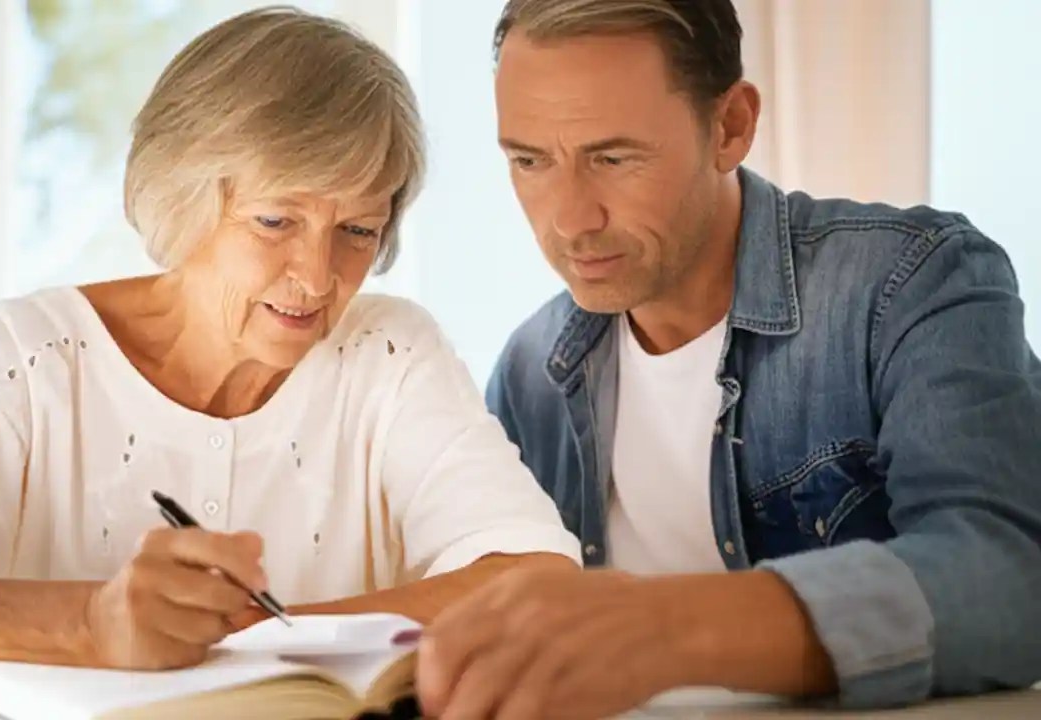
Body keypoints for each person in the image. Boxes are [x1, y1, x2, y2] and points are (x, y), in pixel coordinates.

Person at [0, 7, 581, 679]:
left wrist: (257, 644)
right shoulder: (19, 357)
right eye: (276, 220)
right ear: (182, 193)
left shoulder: (392, 353)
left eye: (358, 231)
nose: (316, 275)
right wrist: (94, 625)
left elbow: (538, 582)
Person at [415, 0, 1041, 717]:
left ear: (731, 127)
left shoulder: (908, 284)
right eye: (530, 161)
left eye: (614, 158)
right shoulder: (532, 373)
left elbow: (1013, 575)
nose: (571, 220)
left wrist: (665, 628)